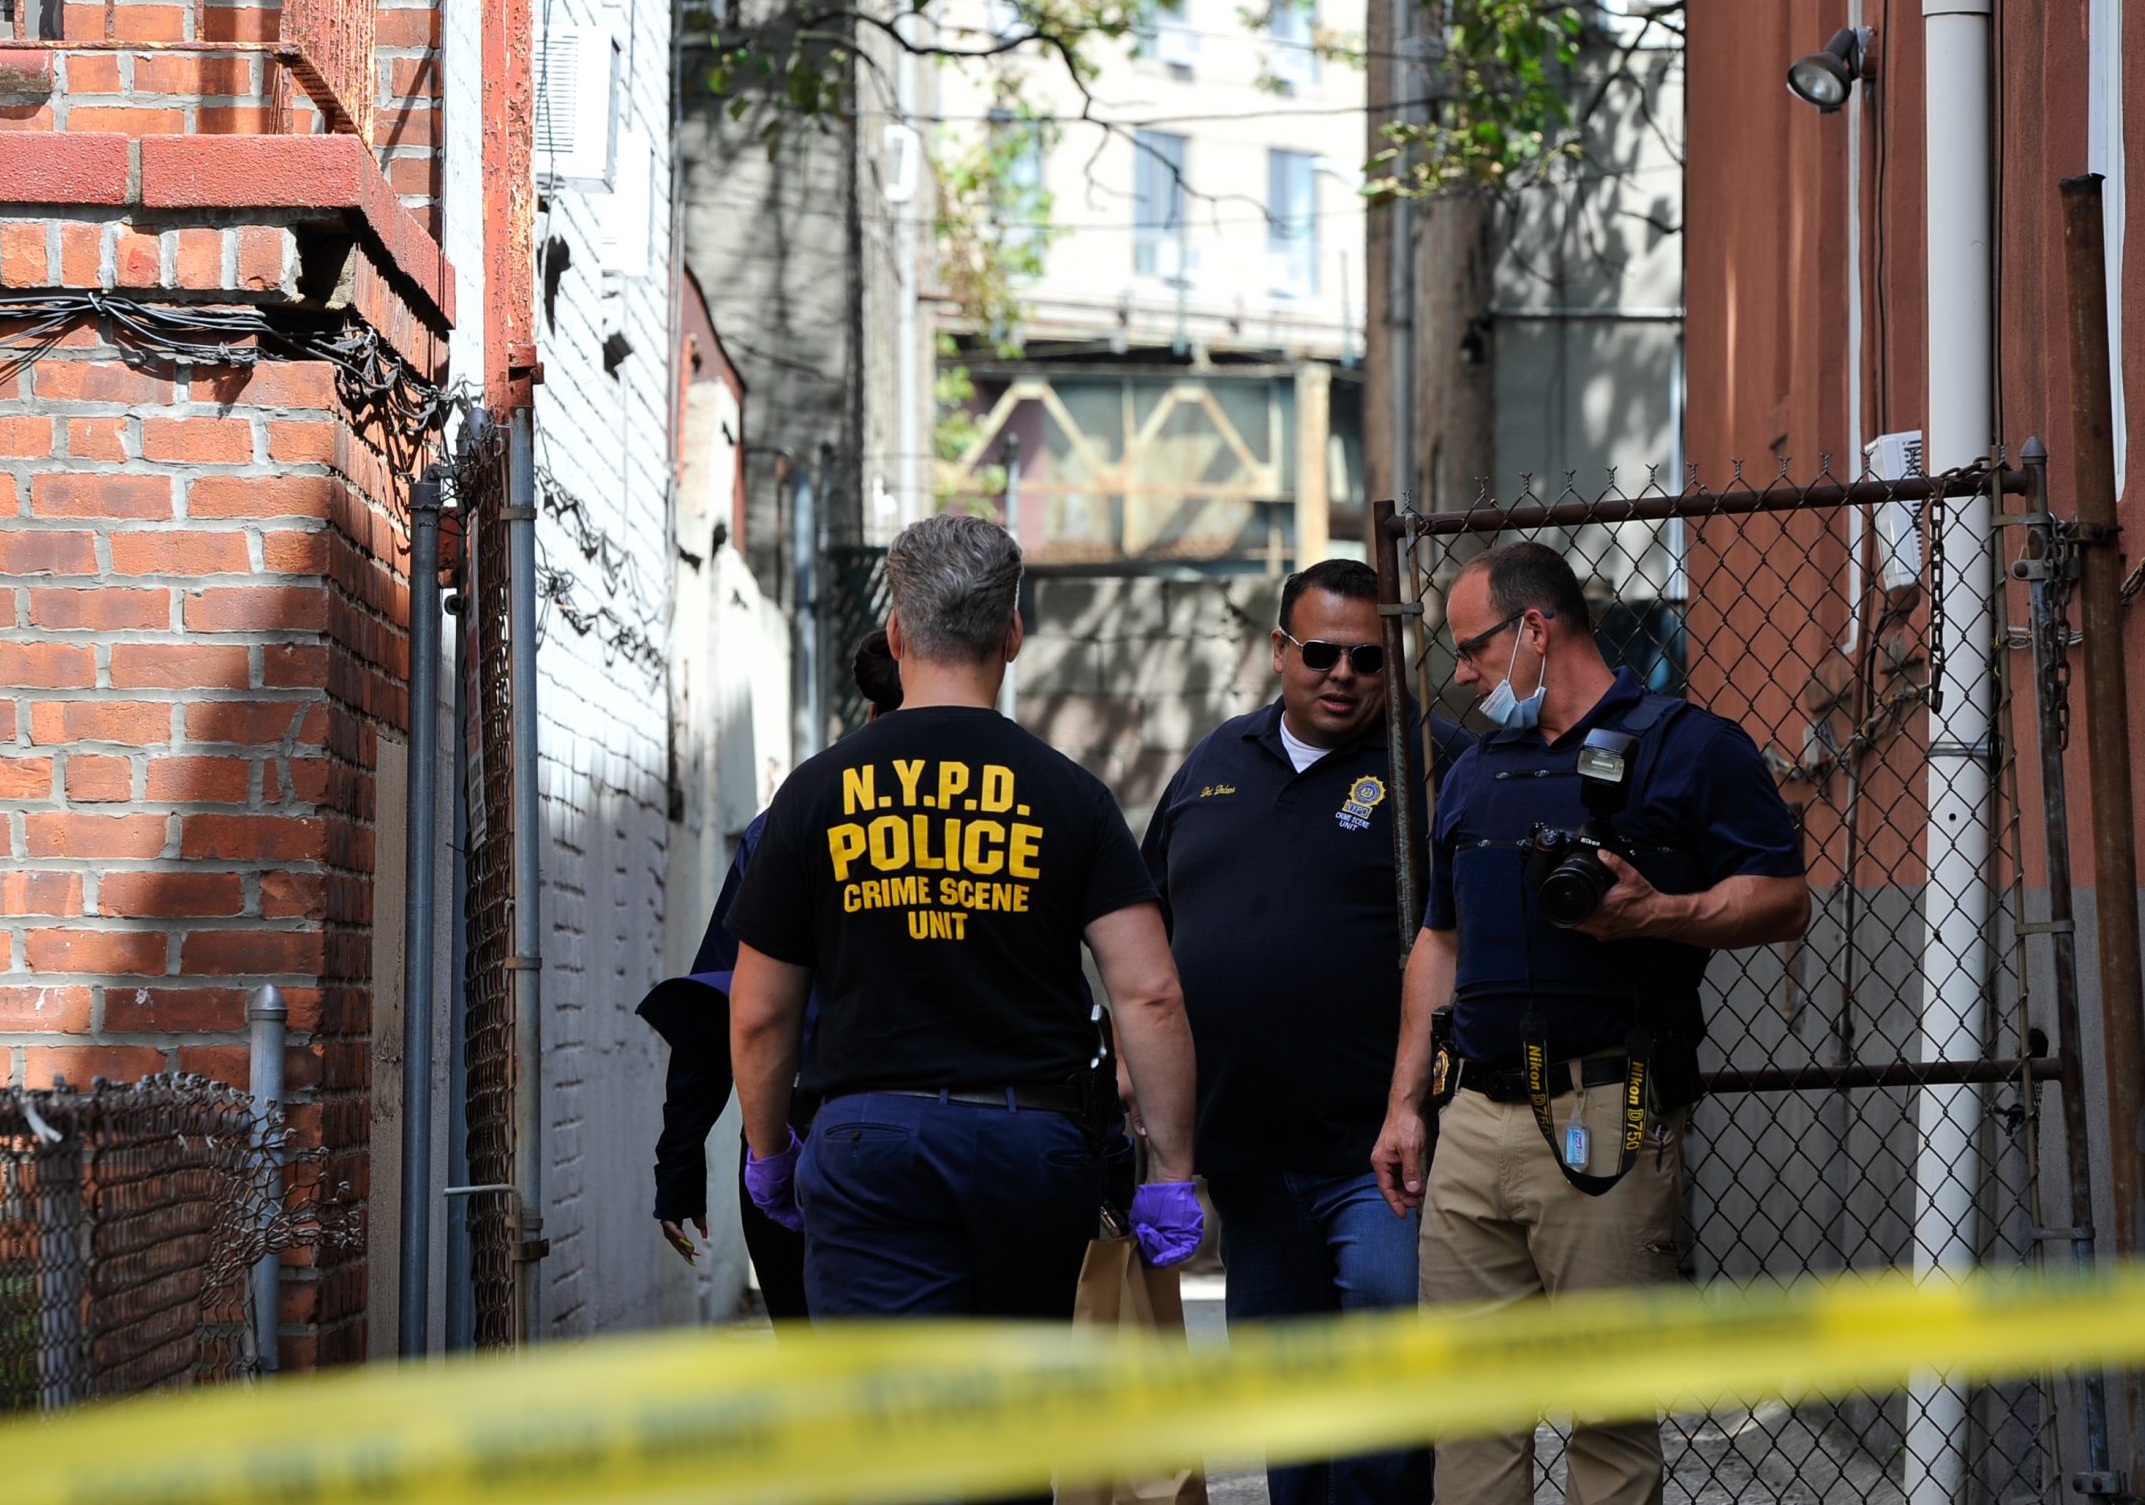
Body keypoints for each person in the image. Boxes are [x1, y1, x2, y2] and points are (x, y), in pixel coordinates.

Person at [1371, 541, 1809, 1505]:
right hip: (1474, 1120)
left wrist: (1660, 913)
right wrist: (1406, 1106)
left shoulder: (1685, 745)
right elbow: (1436, 945)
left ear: (1536, 628)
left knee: (1608, 1417)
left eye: (1475, 648)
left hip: (1607, 1104)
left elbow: (1783, 898)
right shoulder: (1477, 770)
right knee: (1470, 1413)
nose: (1463, 674)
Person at [727, 512, 1203, 1325]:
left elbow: (761, 1012)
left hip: (868, 1141)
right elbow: (1150, 993)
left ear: (896, 631)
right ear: (1012, 633)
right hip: (1031, 1150)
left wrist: (769, 1153)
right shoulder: (1070, 797)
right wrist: (1171, 1171)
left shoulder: (814, 795)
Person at [1142, 558, 1462, 1505]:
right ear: (1279, 650)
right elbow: (1144, 922)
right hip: (1250, 1159)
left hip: (1381, 1158)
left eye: (1367, 659)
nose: (1343, 675)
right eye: (1319, 652)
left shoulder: (1436, 768)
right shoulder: (1214, 764)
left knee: (1379, 1406)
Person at [639, 630, 905, 1318]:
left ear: (868, 708)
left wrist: (680, 1165)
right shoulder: (1010, 808)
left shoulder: (793, 819)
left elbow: (734, 1002)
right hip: (963, 1135)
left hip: (803, 1140)